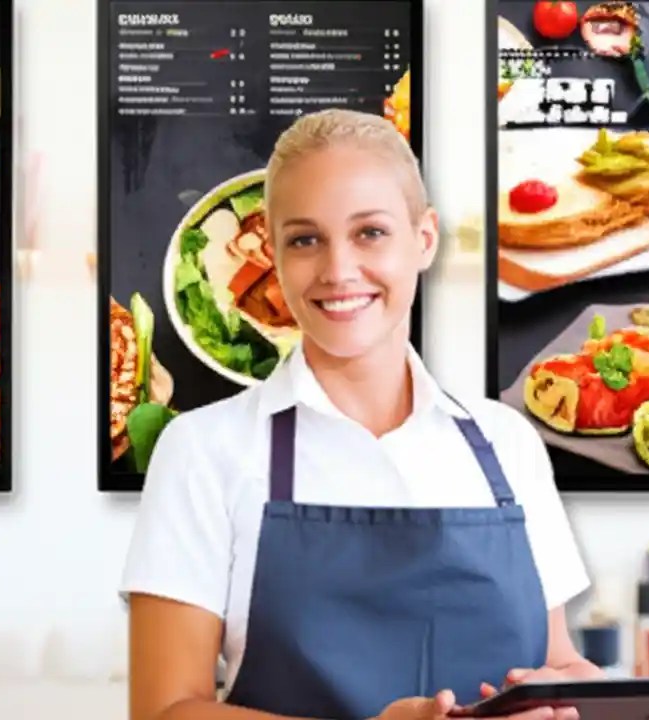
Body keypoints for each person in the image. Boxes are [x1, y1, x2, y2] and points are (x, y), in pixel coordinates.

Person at [120, 108, 602, 720]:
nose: (338, 270)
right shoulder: (204, 450)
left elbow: (556, 661)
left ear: (423, 239)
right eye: (304, 239)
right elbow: (164, 711)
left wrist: (573, 695)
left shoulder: (507, 444)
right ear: (274, 252)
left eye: (370, 232)